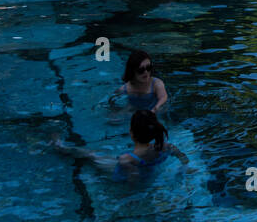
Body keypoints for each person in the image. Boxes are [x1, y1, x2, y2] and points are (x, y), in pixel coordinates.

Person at [53, 110, 188, 177]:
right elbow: (183, 158)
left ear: (131, 134)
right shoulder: (166, 147)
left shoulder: (126, 159)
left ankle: (59, 146)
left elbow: (133, 179)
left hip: (119, 169)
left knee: (91, 155)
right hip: (146, 168)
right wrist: (183, 168)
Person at [115, 50, 167, 114]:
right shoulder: (125, 88)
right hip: (133, 109)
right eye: (141, 70)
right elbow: (112, 100)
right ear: (132, 71)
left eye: (148, 68)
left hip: (153, 108)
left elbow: (163, 97)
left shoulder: (156, 84)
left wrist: (155, 109)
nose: (146, 72)